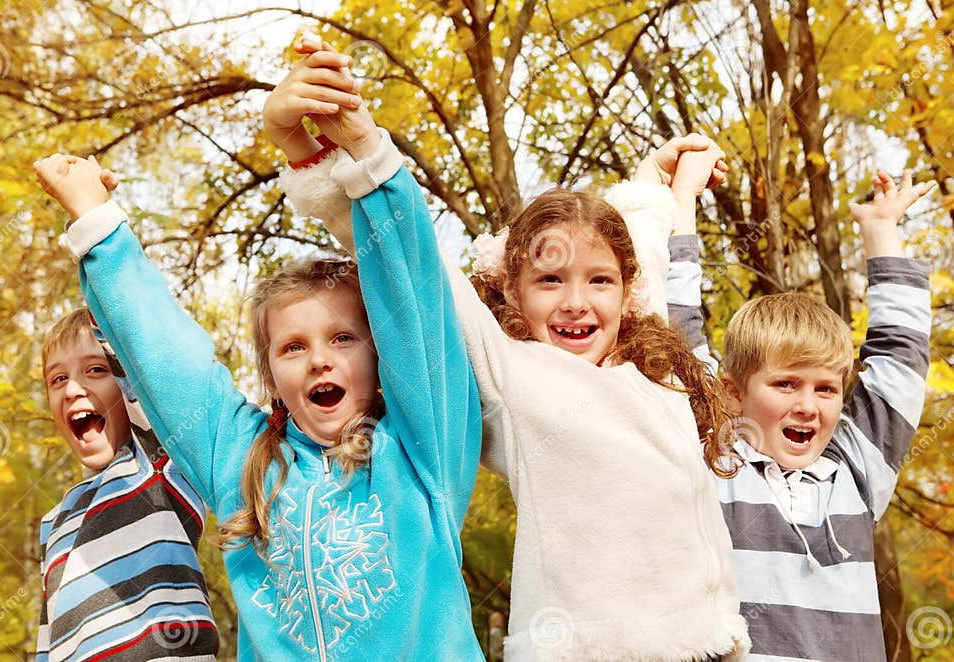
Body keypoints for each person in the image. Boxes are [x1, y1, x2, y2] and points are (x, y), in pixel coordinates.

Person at [265, 38, 749, 661]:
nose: (577, 302)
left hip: (714, 647)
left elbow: (647, 245)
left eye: (598, 280)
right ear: (511, 294)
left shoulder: (650, 361)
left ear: (627, 290)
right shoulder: (511, 375)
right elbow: (413, 269)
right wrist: (345, 147)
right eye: (550, 281)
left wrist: (665, 182)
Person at [32, 147, 484, 659]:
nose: (318, 360)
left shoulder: (422, 452)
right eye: (293, 347)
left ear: (381, 356)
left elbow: (417, 309)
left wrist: (368, 155)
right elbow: (167, 361)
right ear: (270, 375)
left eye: (342, 339)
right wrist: (96, 220)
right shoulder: (243, 465)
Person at [666, 159, 935, 660]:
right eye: (785, 384)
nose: (808, 406)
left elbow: (901, 355)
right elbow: (677, 329)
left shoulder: (856, 468)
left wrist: (880, 232)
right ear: (732, 392)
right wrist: (681, 202)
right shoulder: (716, 458)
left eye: (826, 390)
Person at [37, 307, 218, 660]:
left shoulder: (158, 470)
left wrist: (97, 270)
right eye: (58, 379)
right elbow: (50, 641)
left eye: (96, 370)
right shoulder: (53, 522)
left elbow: (142, 363)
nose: (73, 388)